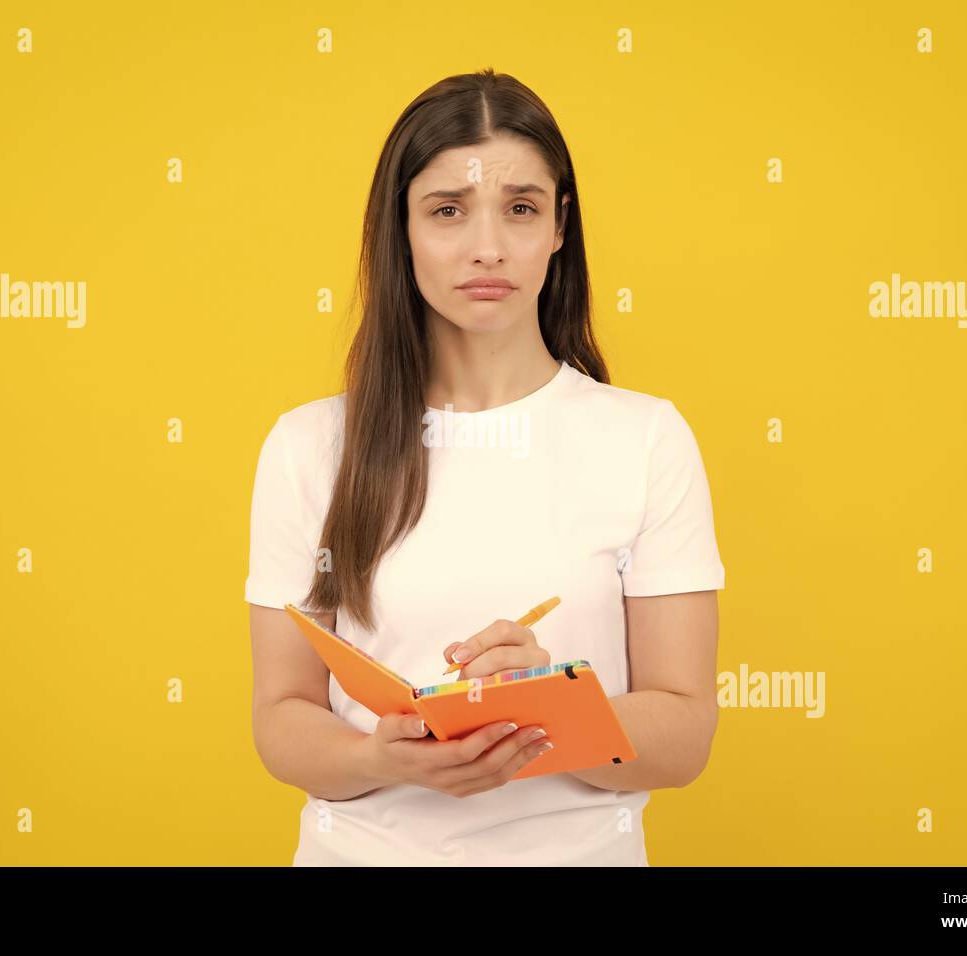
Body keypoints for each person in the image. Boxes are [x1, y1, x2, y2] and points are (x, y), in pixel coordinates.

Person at [246, 68, 725, 866]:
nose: (488, 248)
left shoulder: (646, 439)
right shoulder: (307, 448)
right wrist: (377, 756)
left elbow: (685, 737)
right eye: (447, 211)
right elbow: (281, 717)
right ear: (399, 228)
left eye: (521, 209)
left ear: (560, 226)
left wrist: (558, 707)